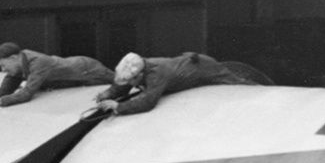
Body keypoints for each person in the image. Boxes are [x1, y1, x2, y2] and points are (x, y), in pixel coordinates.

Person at [92, 51, 265, 116]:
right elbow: (124, 84)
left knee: (236, 83)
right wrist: (108, 93)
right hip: (187, 65)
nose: (129, 84)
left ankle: (266, 92)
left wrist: (119, 106)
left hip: (203, 67)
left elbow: (148, 101)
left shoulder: (156, 74)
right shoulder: (139, 68)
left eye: (131, 80)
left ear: (140, 75)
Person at [0, 43, 114, 113]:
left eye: (3, 65)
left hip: (89, 69)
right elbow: (3, 91)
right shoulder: (17, 67)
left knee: (120, 80)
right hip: (75, 77)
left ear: (13, 58)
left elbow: (26, 94)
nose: (3, 70)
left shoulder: (39, 62)